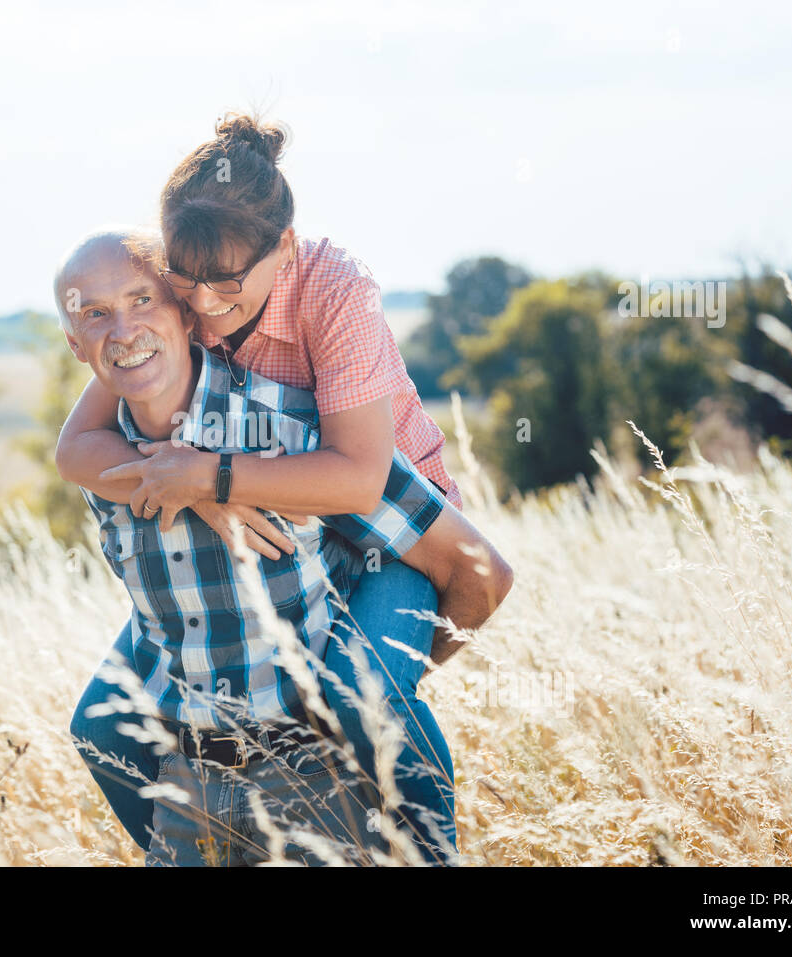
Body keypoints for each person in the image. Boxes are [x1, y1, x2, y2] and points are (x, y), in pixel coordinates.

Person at [56, 227, 513, 863]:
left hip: (317, 785)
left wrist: (393, 682)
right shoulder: (103, 461)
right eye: (95, 313)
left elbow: (479, 569)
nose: (123, 328)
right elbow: (73, 450)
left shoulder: (292, 434)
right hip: (195, 794)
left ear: (189, 313)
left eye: (142, 300)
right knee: (97, 727)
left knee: (373, 689)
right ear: (75, 345)